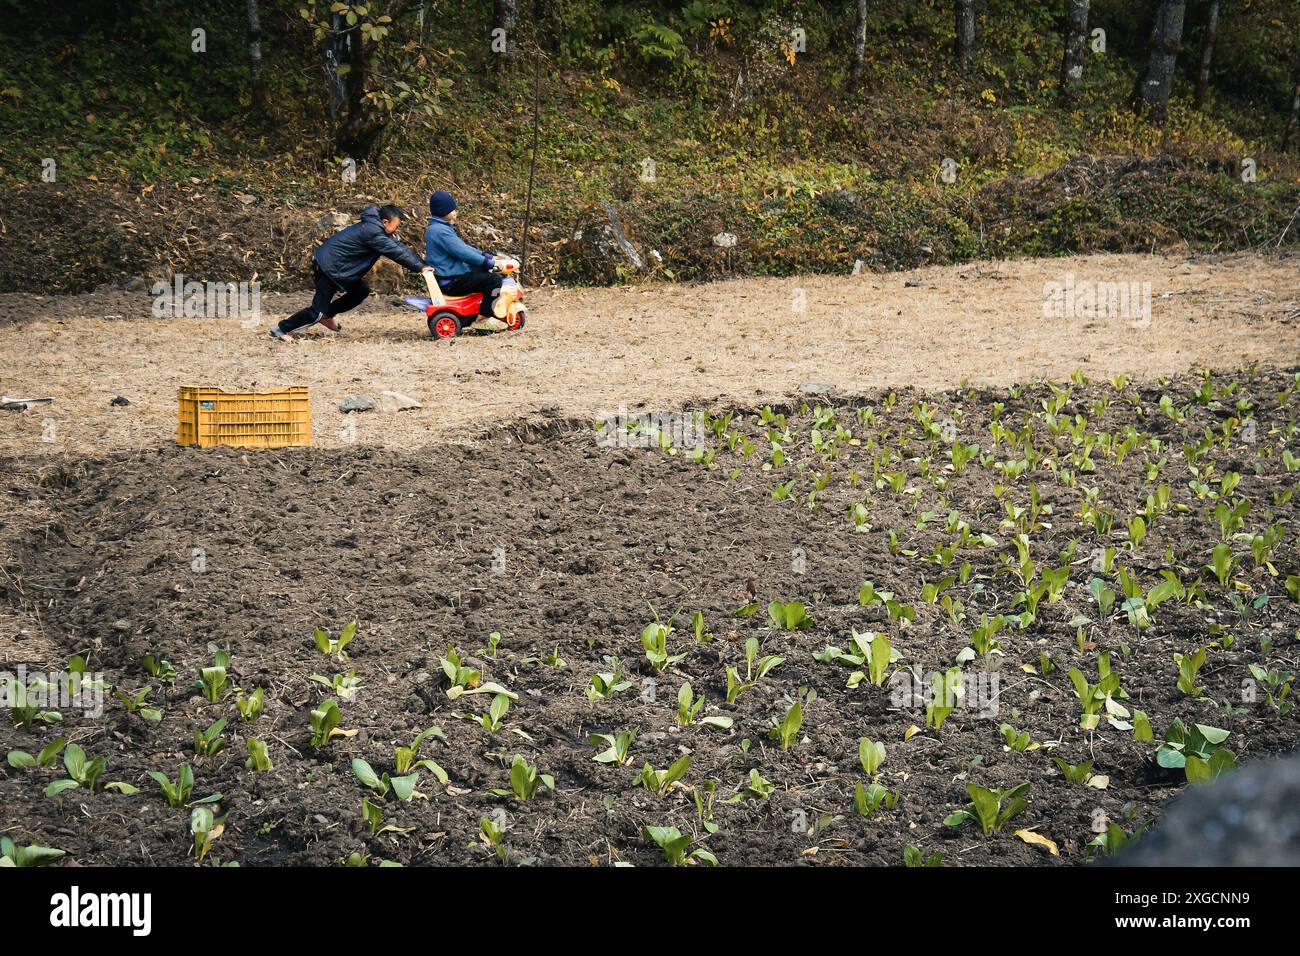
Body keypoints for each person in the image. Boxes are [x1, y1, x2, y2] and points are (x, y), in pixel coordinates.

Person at [270, 204, 434, 341]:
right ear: (385, 222)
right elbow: (396, 252)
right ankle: (281, 329)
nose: (396, 229)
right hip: (328, 268)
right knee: (316, 312)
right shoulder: (374, 233)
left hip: (340, 268)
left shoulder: (375, 228)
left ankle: (327, 315)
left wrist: (422, 264)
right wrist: (420, 267)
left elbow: (399, 248)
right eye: (395, 226)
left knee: (360, 291)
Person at [423, 190, 507, 331]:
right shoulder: (441, 231)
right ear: (443, 211)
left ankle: (475, 310)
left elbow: (462, 247)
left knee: (482, 271)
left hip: (449, 275)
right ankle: (484, 318)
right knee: (494, 280)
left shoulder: (438, 228)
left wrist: (484, 255)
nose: (455, 212)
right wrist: (487, 262)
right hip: (451, 280)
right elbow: (462, 252)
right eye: (452, 210)